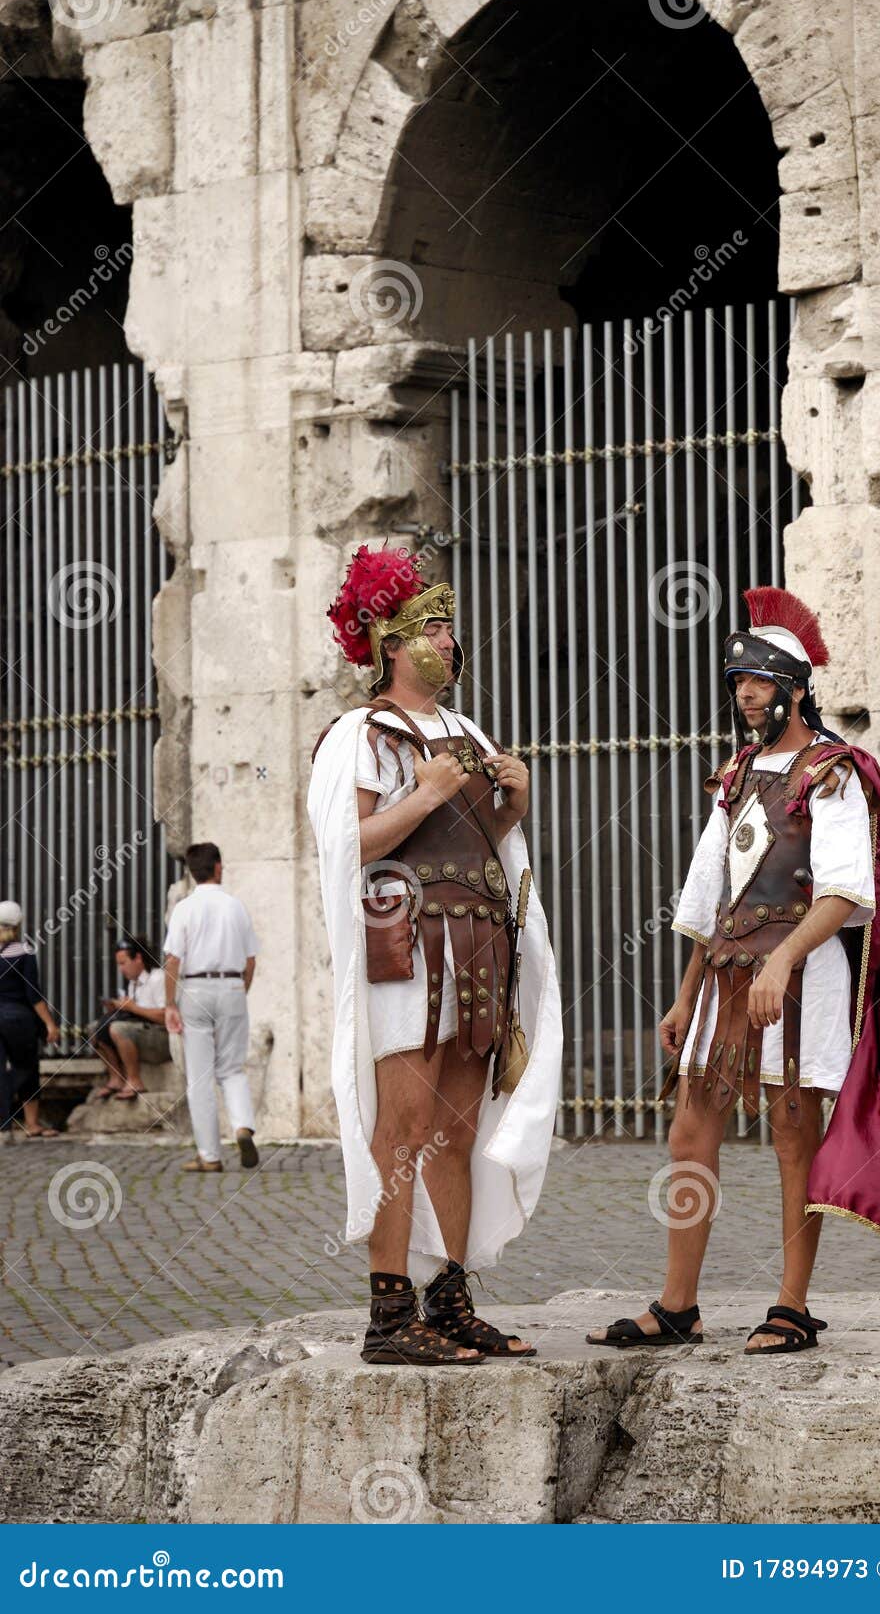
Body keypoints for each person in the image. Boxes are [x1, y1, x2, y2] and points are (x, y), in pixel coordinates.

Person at [588, 586, 880, 1356]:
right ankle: (677, 1306)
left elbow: (843, 891)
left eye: (758, 681)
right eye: (737, 683)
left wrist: (785, 962)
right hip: (727, 972)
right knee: (689, 1128)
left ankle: (791, 1306)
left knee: (792, 1134)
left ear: (794, 687)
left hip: (798, 978)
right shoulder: (734, 775)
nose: (744, 694)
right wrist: (683, 992)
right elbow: (708, 895)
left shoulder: (831, 773)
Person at [306, 544, 563, 1366]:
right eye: (433, 630)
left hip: (479, 943)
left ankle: (449, 1298)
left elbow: (488, 842)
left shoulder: (464, 730)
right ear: (389, 640)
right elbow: (349, 847)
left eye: (451, 631)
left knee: (457, 1128)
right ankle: (389, 1315)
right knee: (403, 1129)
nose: (449, 644)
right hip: (408, 949)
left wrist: (514, 802)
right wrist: (422, 794)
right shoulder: (360, 733)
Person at [162, 843, 260, 1173]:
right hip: (232, 985)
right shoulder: (236, 907)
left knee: (200, 1076)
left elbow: (173, 959)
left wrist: (169, 1004)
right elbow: (250, 961)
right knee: (232, 1068)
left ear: (192, 871)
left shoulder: (185, 909)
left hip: (196, 988)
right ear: (218, 867)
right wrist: (238, 991)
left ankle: (210, 1156)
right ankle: (243, 1126)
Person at [0, 899, 60, 1139]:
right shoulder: (24, 952)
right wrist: (49, 1023)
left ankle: (4, 1125)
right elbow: (33, 994)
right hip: (19, 1020)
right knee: (26, 1068)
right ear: (17, 925)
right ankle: (31, 1124)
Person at [88, 934, 170, 1103]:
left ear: (138, 958)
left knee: (119, 1029)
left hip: (160, 1038)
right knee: (94, 1028)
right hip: (142, 1031)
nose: (121, 969)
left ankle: (135, 1081)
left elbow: (165, 1017)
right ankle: (116, 1077)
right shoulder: (133, 983)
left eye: (123, 963)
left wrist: (133, 1008)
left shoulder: (158, 978)